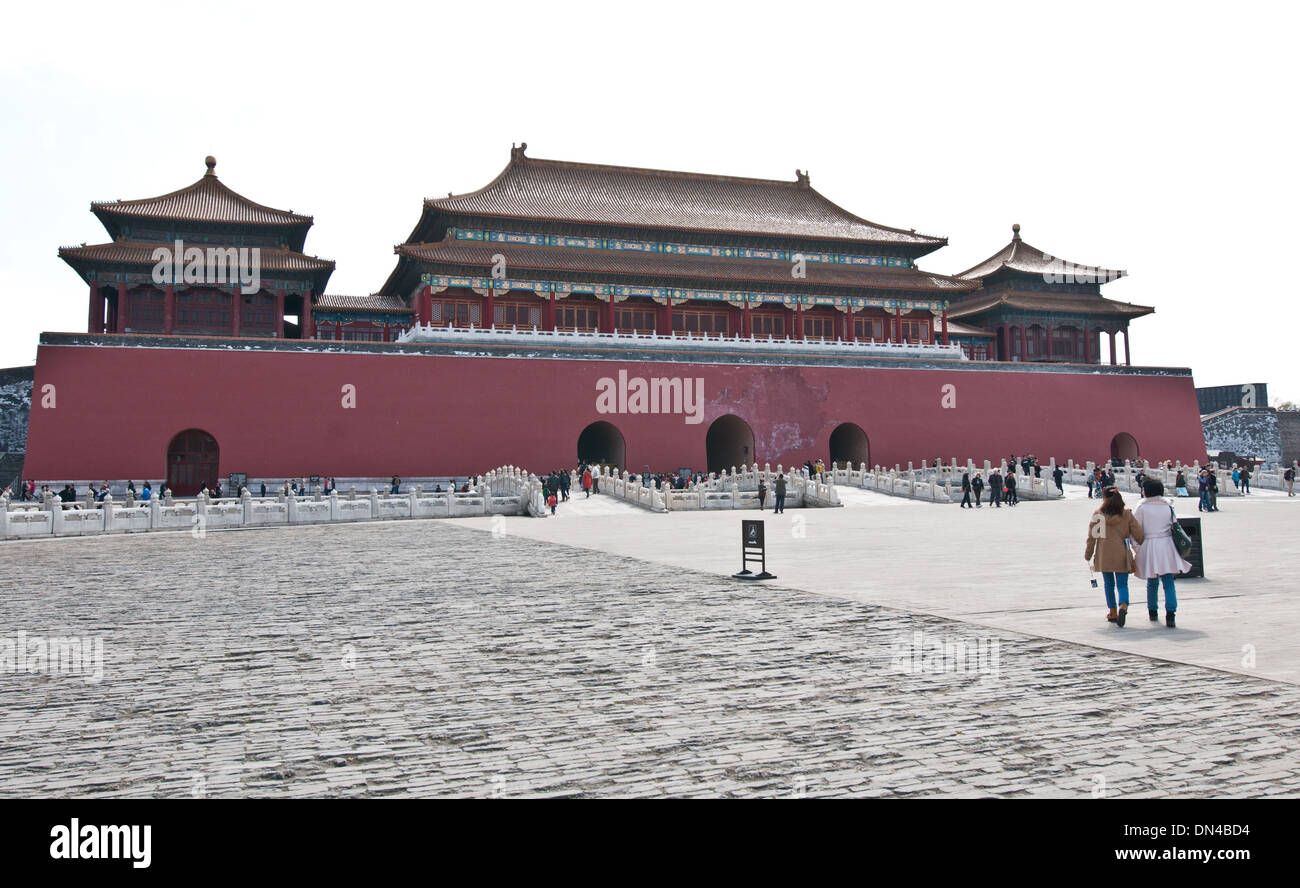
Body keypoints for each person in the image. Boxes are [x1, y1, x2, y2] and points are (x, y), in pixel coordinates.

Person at [1133, 479, 1191, 628]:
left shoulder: (1141, 509)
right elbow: (1174, 525)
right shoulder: (1168, 507)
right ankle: (1171, 614)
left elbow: (1135, 530)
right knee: (1169, 582)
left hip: (1150, 546)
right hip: (1166, 546)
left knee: (1152, 582)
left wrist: (1136, 547)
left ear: (1147, 491)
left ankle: (1153, 612)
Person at [1084, 487, 1144, 626]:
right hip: (1121, 552)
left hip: (1104, 553)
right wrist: (1140, 542)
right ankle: (1123, 605)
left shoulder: (1098, 515)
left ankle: (1113, 612)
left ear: (1104, 498)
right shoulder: (1126, 514)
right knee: (1122, 584)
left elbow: (1092, 537)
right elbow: (1138, 533)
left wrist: (1088, 554)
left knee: (1108, 584)